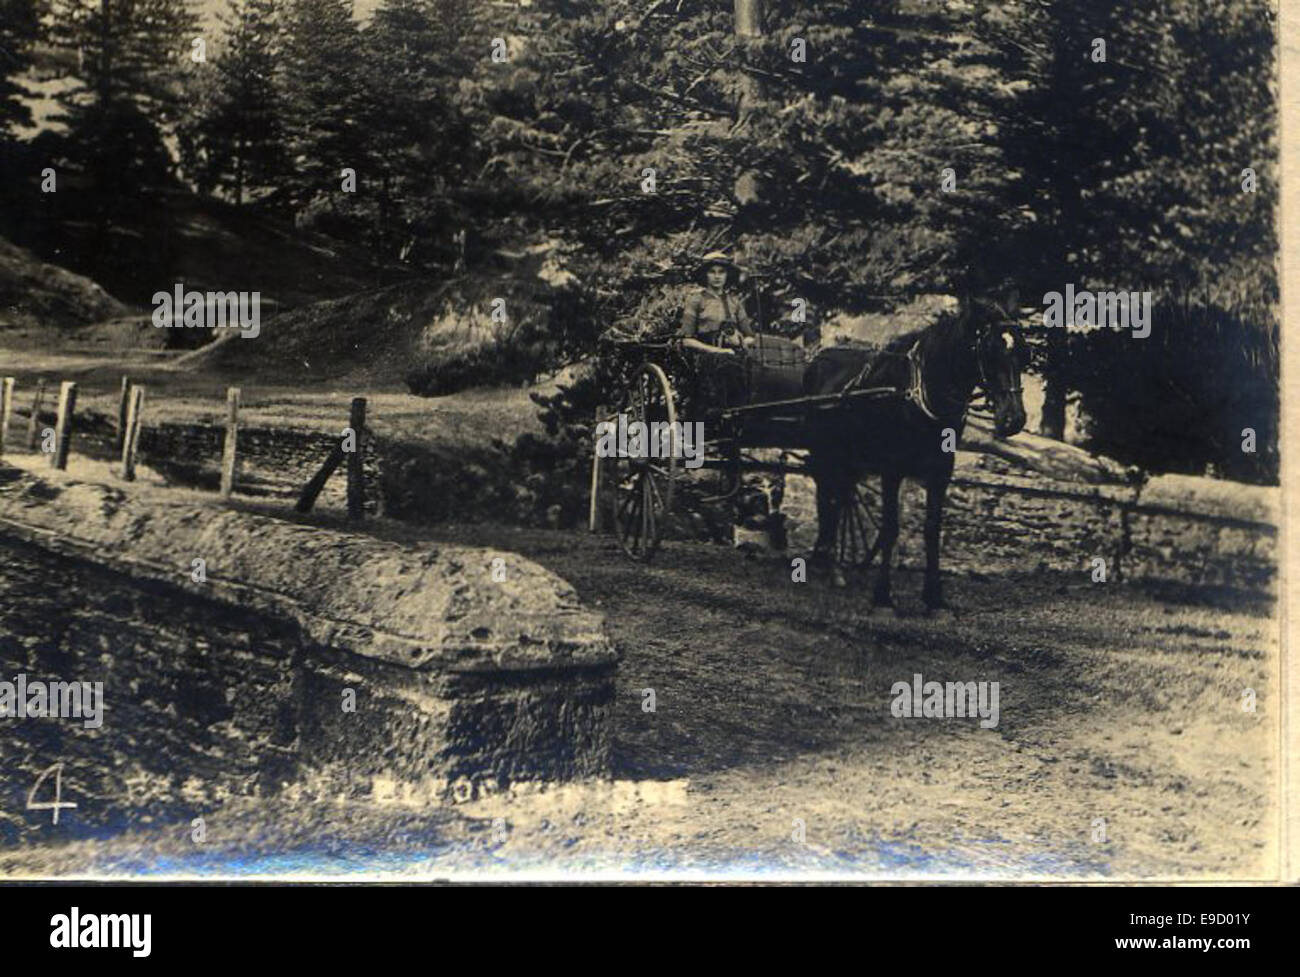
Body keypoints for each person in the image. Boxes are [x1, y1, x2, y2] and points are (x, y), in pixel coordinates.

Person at [677, 252, 757, 355]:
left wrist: (740, 342)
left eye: (721, 272)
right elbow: (686, 340)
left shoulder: (734, 302)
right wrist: (718, 351)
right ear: (705, 274)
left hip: (732, 359)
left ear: (727, 275)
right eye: (712, 272)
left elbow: (750, 337)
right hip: (705, 359)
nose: (717, 276)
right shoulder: (696, 300)